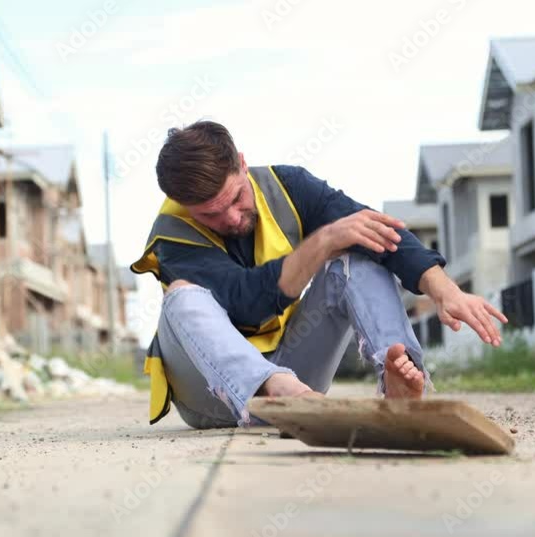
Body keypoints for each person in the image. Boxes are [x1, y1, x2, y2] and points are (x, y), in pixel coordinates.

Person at [131, 120, 507, 428]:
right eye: (209, 214)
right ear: (183, 205)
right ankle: (275, 391)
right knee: (181, 295)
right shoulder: (173, 236)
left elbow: (376, 229)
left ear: (242, 164)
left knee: (358, 251)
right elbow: (248, 303)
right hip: (210, 395)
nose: (229, 218)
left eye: (234, 199)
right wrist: (324, 240)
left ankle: (401, 385)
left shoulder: (289, 186)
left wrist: (443, 290)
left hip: (297, 380)